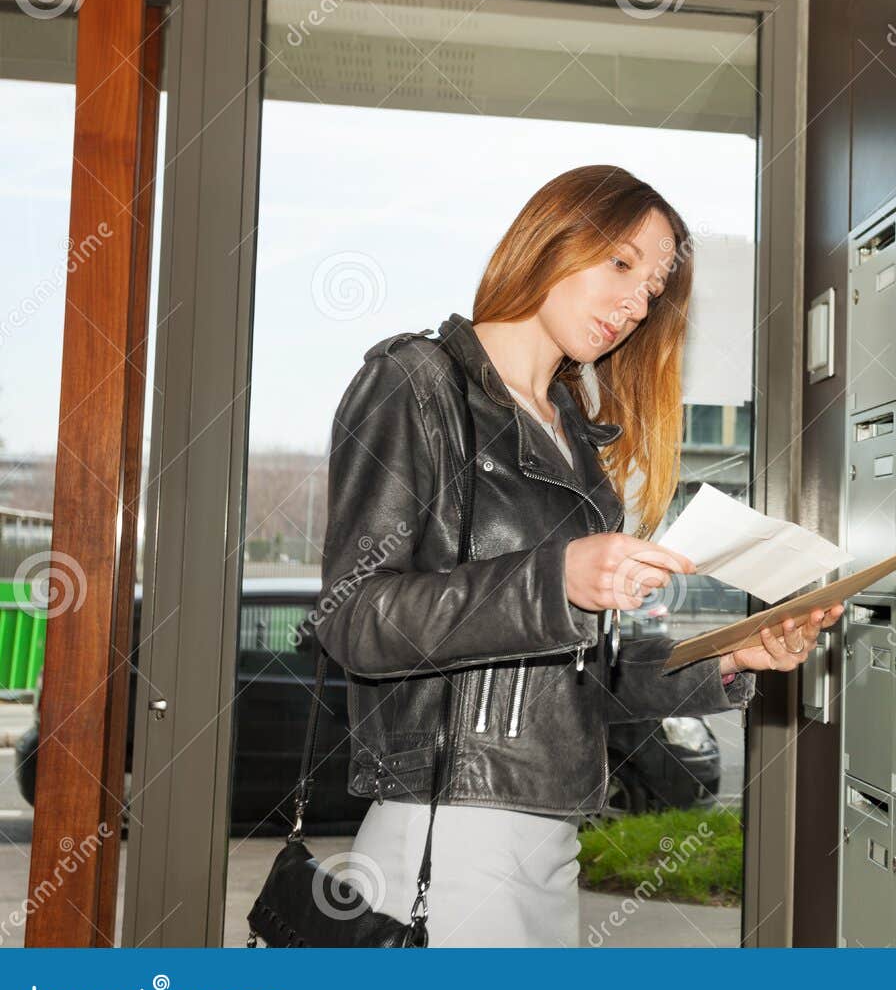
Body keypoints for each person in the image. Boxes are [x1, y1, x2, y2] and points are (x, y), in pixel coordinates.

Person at [308, 164, 842, 946]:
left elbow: (584, 674)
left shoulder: (573, 432)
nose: (635, 303)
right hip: (450, 830)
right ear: (550, 239)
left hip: (550, 831)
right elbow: (355, 616)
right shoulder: (417, 384)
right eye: (622, 264)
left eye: (654, 289)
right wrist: (556, 577)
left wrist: (734, 657)